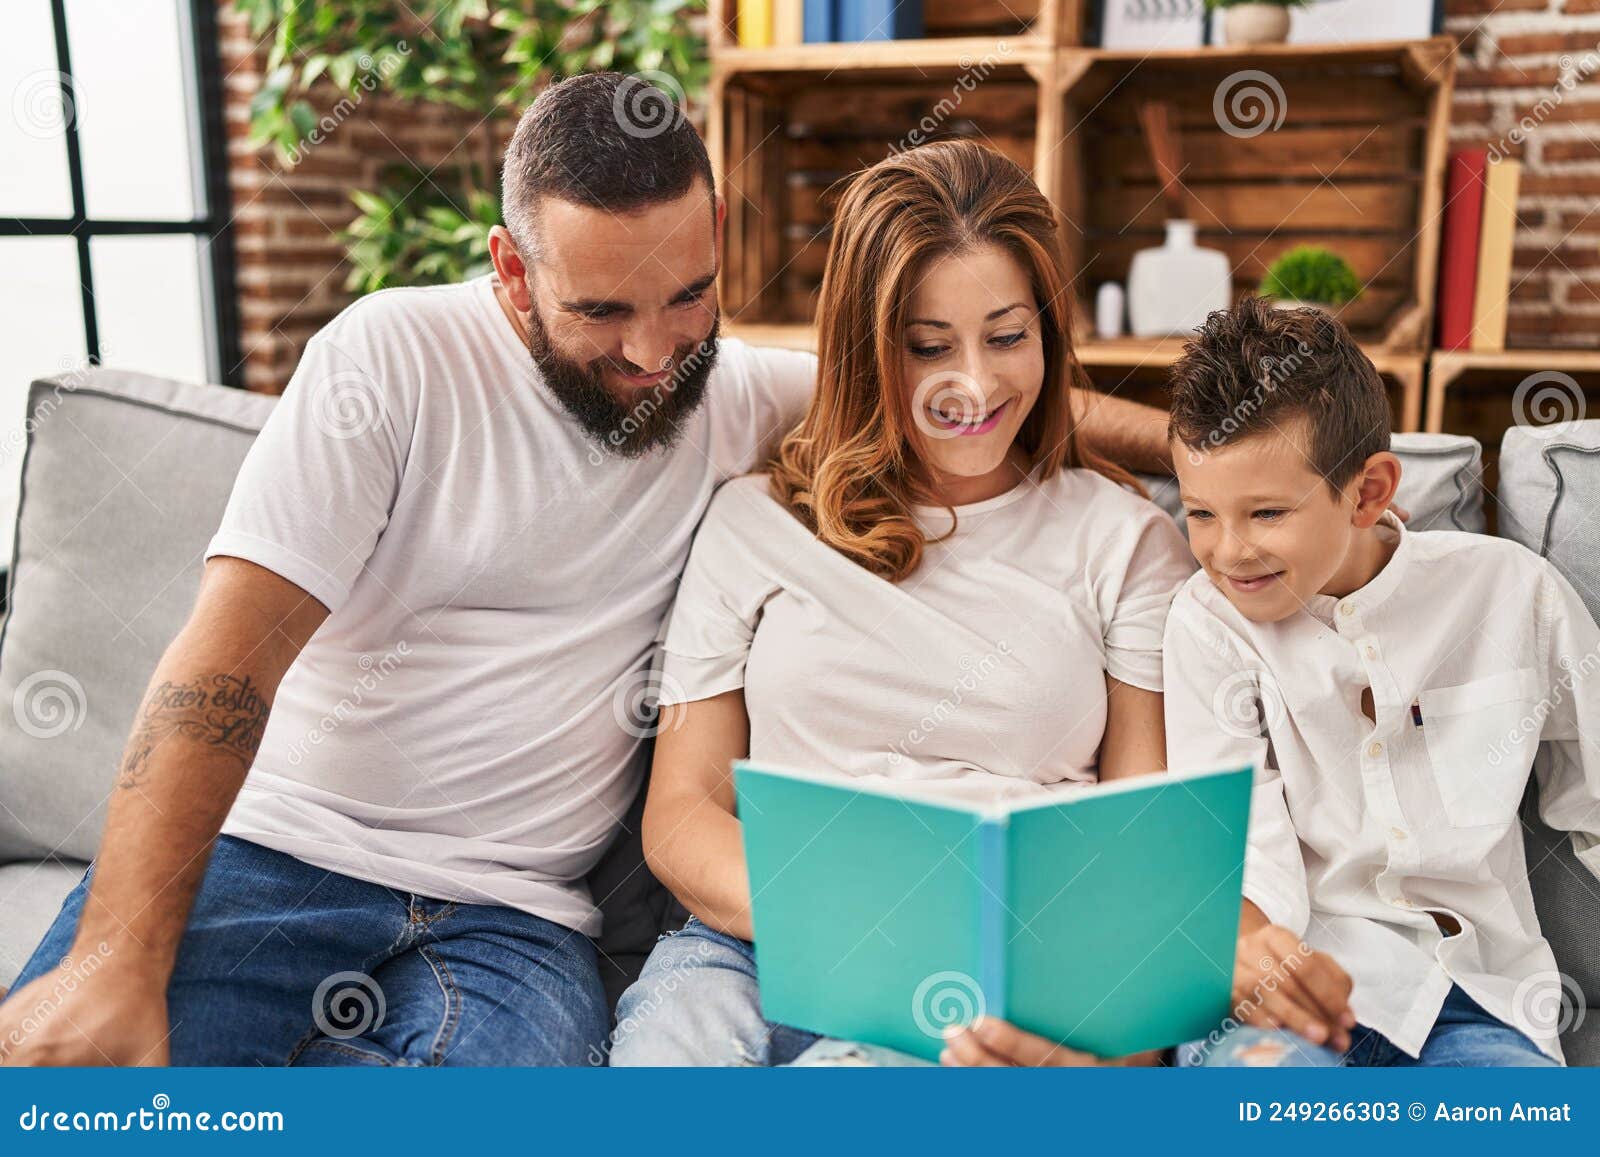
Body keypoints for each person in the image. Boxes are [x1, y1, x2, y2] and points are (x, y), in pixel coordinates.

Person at [0, 75, 1170, 1068]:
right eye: (602, 309)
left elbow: (949, 390)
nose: (655, 353)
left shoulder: (731, 393)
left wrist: (1203, 455)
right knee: (75, 1090)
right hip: (283, 851)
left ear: (718, 240)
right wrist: (118, 953)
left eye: (689, 297)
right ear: (513, 272)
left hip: (514, 921)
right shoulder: (390, 361)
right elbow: (223, 662)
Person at [607, 140, 1195, 1069]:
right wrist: (855, 910)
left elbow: (1133, 848)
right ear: (863, 347)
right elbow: (682, 813)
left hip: (1001, 965)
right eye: (928, 347)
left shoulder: (1125, 542)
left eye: (1007, 337)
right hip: (750, 948)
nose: (973, 383)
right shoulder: (755, 520)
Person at [1162, 296, 1600, 1068]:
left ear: (1368, 492)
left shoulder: (1511, 595)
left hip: (1480, 1002)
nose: (1227, 553)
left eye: (1265, 512)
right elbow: (1233, 844)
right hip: (1287, 993)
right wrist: (1255, 957)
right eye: (1200, 512)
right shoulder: (1206, 624)